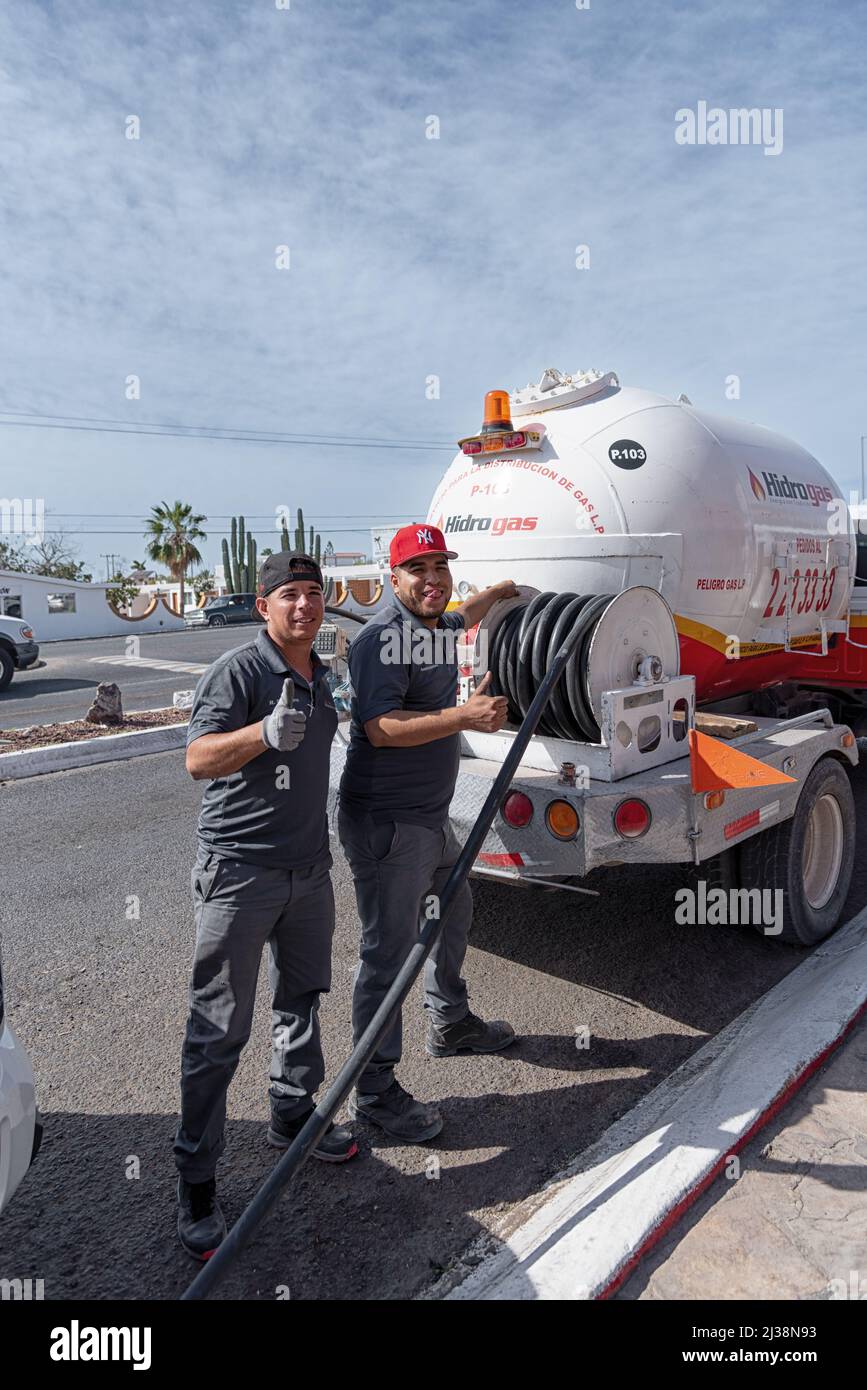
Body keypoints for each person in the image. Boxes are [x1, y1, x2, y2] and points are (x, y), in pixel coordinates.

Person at [174, 551, 357, 1262]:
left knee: (302, 999)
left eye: (313, 594)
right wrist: (260, 736)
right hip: (240, 875)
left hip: (308, 871)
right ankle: (195, 1181)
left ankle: (291, 1113)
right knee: (217, 1030)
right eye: (289, 595)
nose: (304, 606)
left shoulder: (322, 673)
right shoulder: (239, 672)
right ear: (263, 606)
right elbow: (196, 758)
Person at [338, 523, 519, 1143]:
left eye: (441, 566)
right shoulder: (382, 639)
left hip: (429, 817)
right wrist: (464, 716)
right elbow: (382, 727)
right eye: (419, 569)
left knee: (454, 909)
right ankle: (375, 1092)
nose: (433, 580)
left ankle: (450, 1020)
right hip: (389, 823)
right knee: (387, 955)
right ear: (394, 580)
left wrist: (496, 591)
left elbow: (459, 612)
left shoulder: (433, 628)